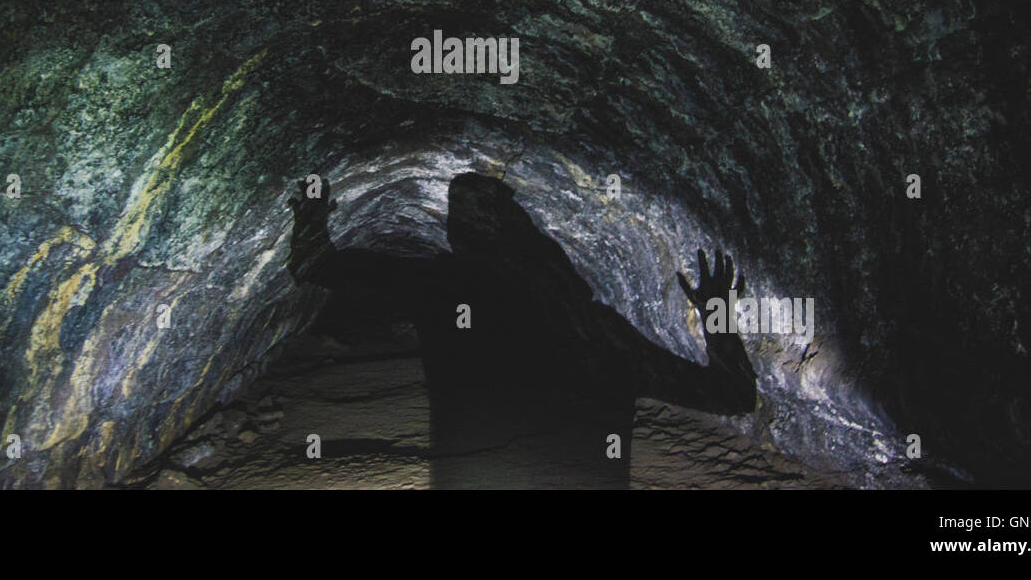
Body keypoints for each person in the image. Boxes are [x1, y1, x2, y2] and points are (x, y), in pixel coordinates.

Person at [286, 172, 756, 488]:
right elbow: (732, 395)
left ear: (461, 238)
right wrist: (717, 315)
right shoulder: (594, 327)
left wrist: (312, 207)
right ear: (538, 242)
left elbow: (314, 264)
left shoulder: (439, 288)